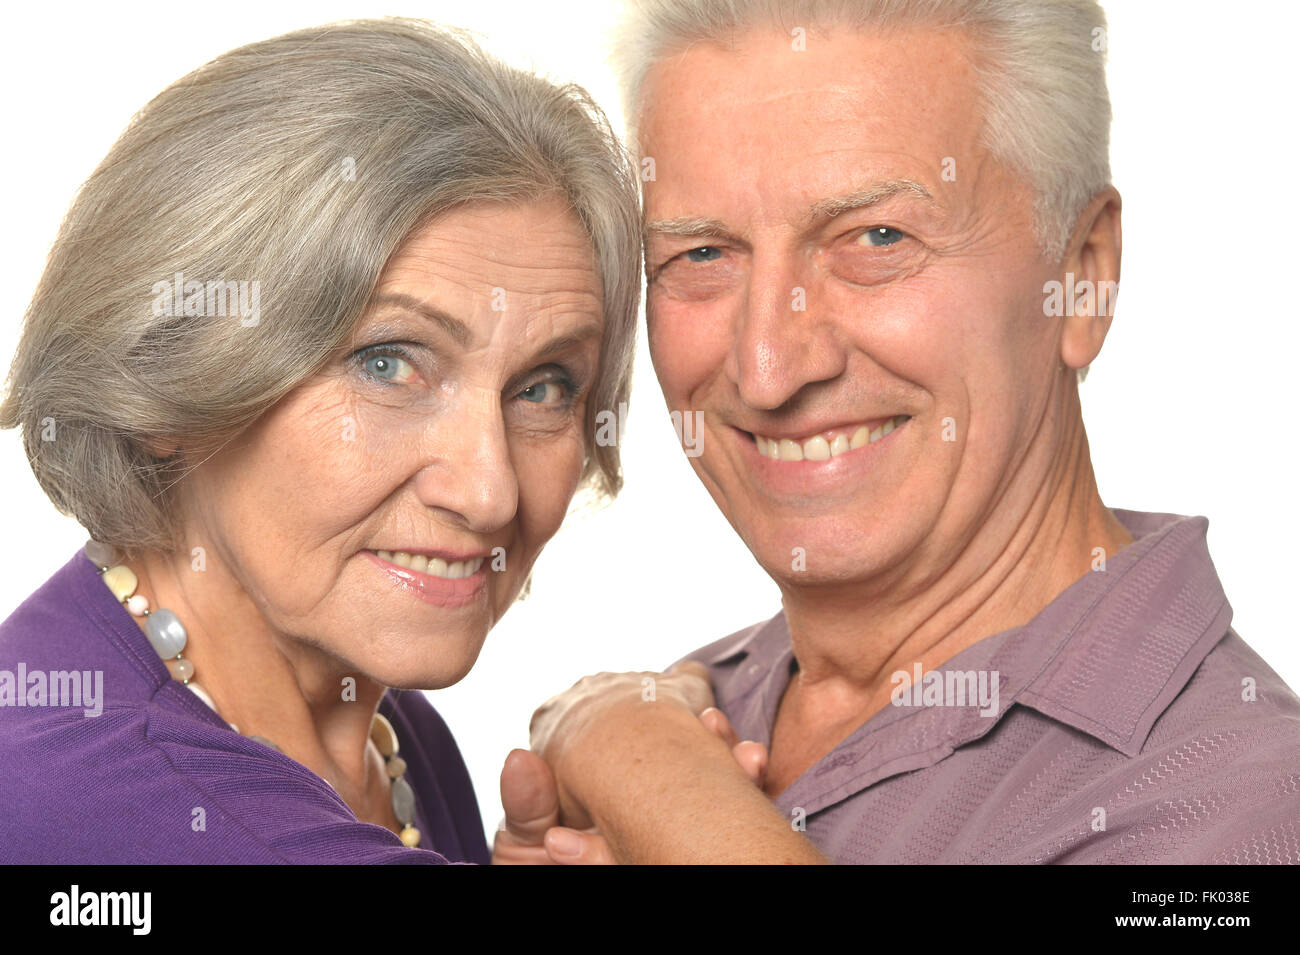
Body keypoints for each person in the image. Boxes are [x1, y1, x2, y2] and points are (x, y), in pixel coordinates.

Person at [519, 0, 1300, 864]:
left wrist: (638, 765)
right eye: (701, 254)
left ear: (1082, 276)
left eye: (876, 237)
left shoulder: (1243, 809)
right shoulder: (698, 706)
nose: (768, 365)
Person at [0, 16, 785, 864]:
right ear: (165, 388)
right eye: (388, 364)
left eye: (544, 386)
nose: (490, 491)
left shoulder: (386, 730)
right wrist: (638, 749)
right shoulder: (120, 808)